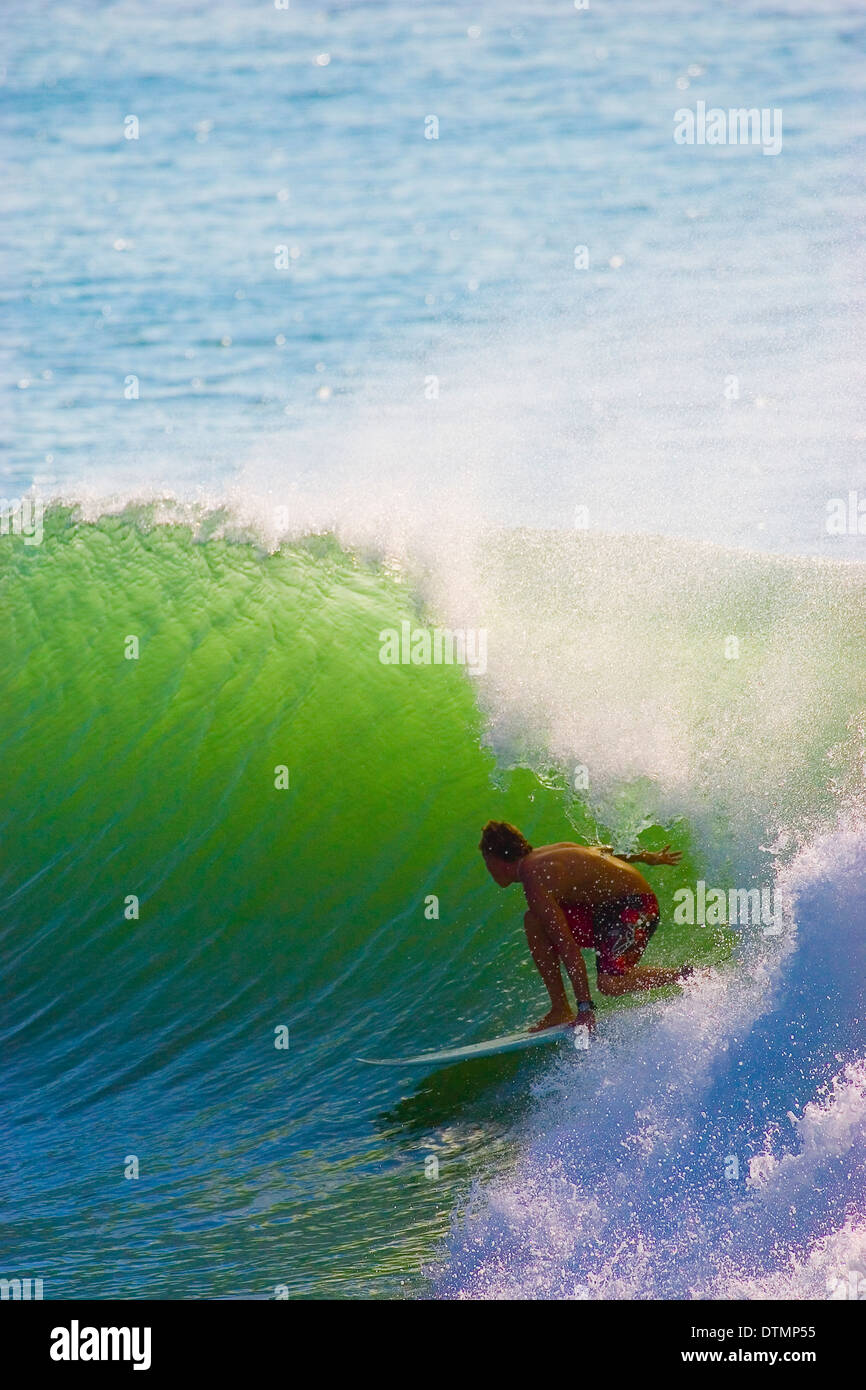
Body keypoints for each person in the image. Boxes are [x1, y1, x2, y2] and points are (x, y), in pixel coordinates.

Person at [479, 821, 692, 1032]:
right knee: (534, 921)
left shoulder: (533, 878)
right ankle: (560, 1009)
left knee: (610, 983)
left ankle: (686, 975)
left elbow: (568, 949)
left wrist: (585, 1008)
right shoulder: (546, 856)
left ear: (497, 860)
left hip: (637, 908)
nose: (488, 869)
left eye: (487, 861)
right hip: (606, 911)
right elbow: (603, 852)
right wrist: (644, 857)